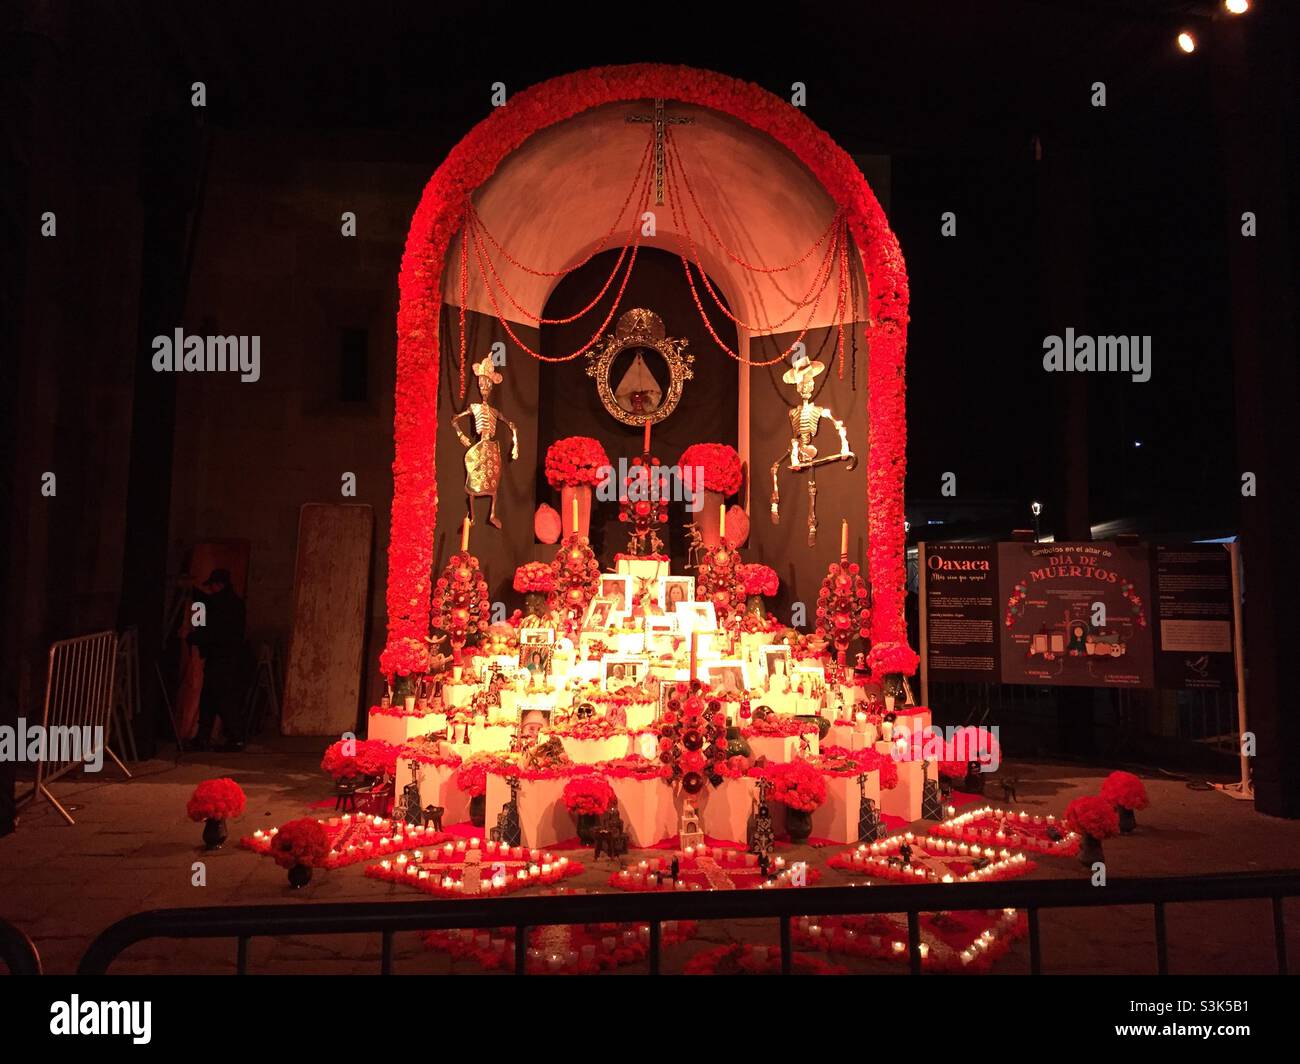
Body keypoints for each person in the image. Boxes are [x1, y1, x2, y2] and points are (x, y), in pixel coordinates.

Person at [188, 568, 247, 751]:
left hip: (221, 657)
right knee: (211, 698)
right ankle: (204, 737)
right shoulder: (232, 603)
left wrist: (192, 638)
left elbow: (211, 631)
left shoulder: (222, 606)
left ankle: (236, 737)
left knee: (220, 698)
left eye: (212, 586)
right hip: (225, 657)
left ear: (218, 585)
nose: (211, 590)